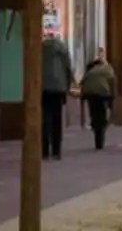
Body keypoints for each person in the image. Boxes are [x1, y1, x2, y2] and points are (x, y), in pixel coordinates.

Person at [41, 28, 74, 160]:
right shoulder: (62, 49)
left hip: (44, 88)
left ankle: (44, 150)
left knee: (45, 119)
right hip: (59, 88)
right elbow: (68, 68)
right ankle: (56, 150)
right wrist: (68, 84)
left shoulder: (41, 49)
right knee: (57, 119)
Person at [81, 47, 117, 150]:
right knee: (102, 113)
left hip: (91, 93)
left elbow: (84, 83)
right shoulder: (108, 68)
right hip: (102, 93)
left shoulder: (90, 71)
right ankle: (101, 129)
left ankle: (94, 124)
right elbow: (113, 83)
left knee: (94, 112)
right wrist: (112, 98)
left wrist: (83, 96)